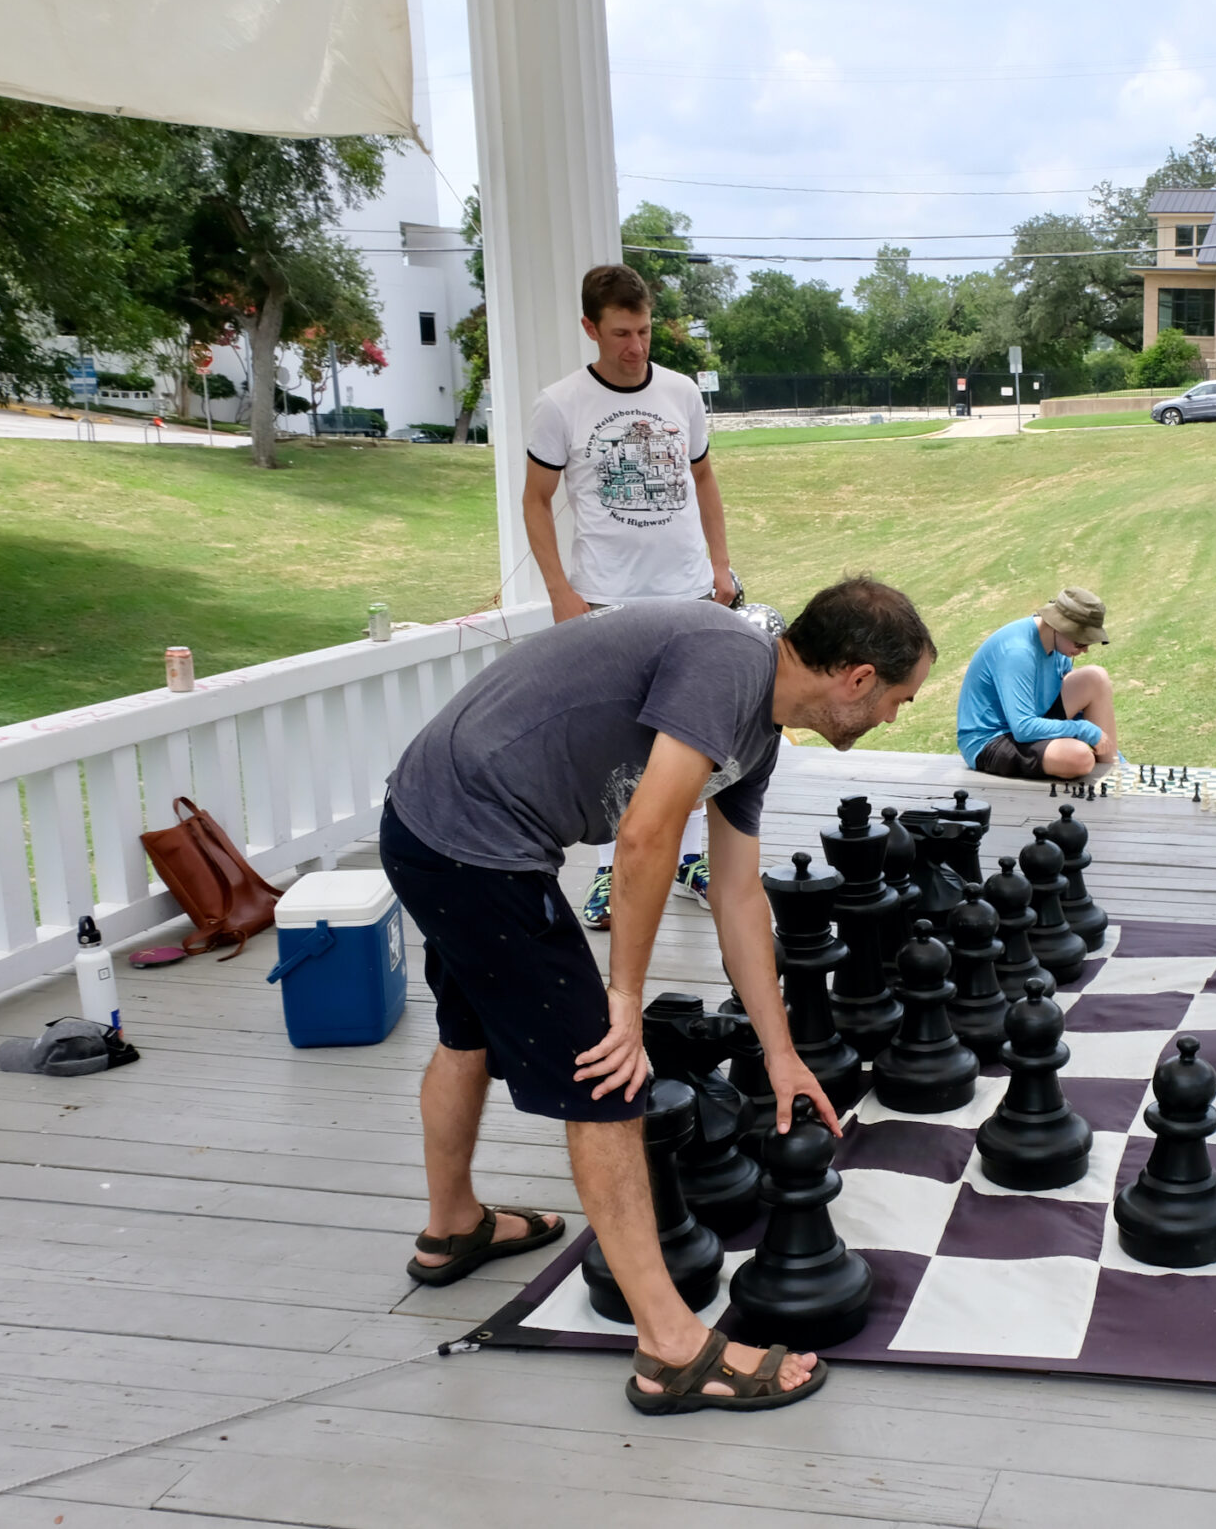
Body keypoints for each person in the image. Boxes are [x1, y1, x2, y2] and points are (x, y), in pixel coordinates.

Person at [380, 575, 935, 1412]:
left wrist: (782, 1054)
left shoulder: (758, 726)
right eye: (898, 699)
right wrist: (624, 1000)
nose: (895, 716)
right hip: (472, 836)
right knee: (608, 1078)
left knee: (469, 1032)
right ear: (857, 677)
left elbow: (737, 893)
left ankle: (453, 1225)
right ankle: (670, 1348)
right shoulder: (729, 663)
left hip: (436, 819)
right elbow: (645, 837)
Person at [521, 263, 740, 931]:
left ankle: (692, 859)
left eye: (643, 331)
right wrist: (561, 592)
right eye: (620, 333)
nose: (635, 347)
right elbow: (536, 500)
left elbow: (704, 481)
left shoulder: (680, 393)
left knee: (695, 733)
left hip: (688, 595)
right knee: (617, 741)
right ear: (589, 328)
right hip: (606, 602)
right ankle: (613, 868)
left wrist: (721, 567)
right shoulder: (560, 405)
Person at [956, 588, 1120, 780]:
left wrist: (1106, 746)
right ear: (1059, 627)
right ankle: (1103, 770)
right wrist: (1084, 730)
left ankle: (1115, 771)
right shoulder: (1018, 652)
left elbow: (1075, 711)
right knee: (1080, 757)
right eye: (1080, 642)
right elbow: (1023, 729)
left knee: (1096, 677)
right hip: (991, 740)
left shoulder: (1058, 647)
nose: (1085, 650)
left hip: (1033, 719)